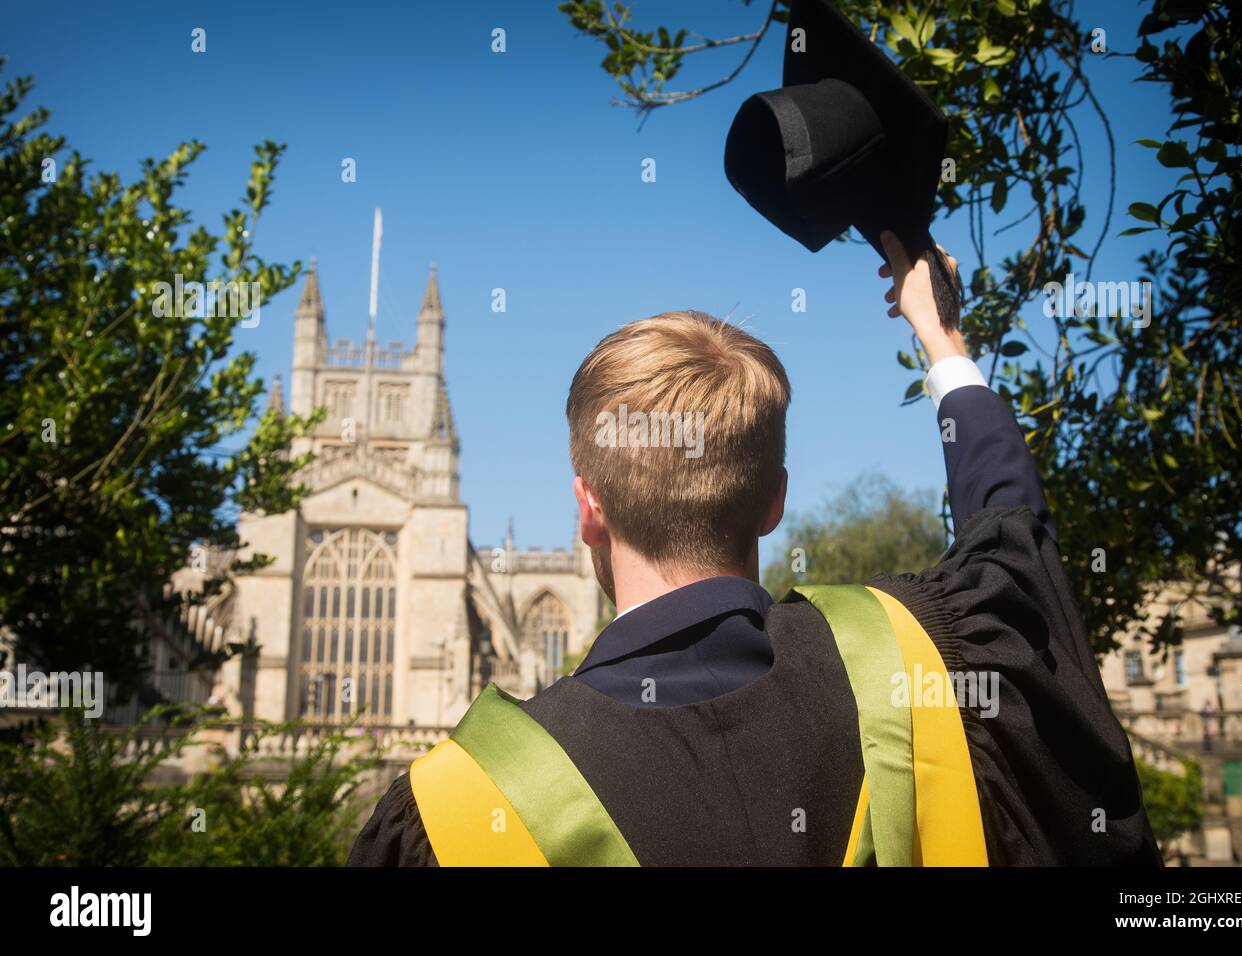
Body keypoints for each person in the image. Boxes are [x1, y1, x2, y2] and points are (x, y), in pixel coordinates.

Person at [347, 233, 1161, 866]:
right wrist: (941, 338)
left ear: (586, 511)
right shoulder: (921, 668)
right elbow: (1013, 553)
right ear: (775, 499)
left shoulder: (452, 810)